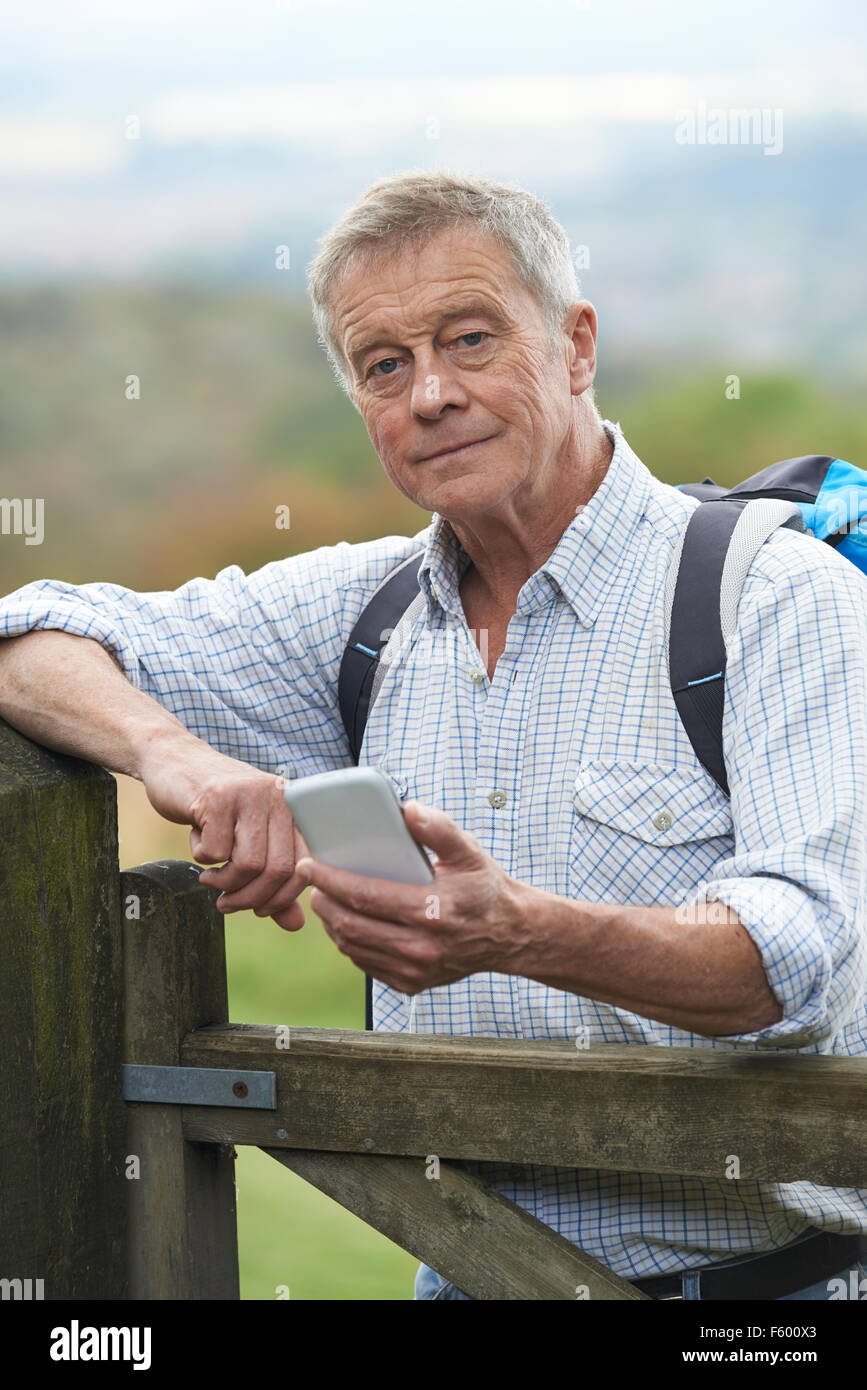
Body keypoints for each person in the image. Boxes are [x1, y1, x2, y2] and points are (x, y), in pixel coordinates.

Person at [0, 170, 865, 1302]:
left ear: (576, 347)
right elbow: (31, 631)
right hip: (465, 1280)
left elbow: (798, 960)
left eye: (469, 339)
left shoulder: (774, 598)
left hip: (769, 1298)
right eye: (384, 366)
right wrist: (184, 760)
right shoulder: (362, 614)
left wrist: (518, 930)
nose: (430, 395)